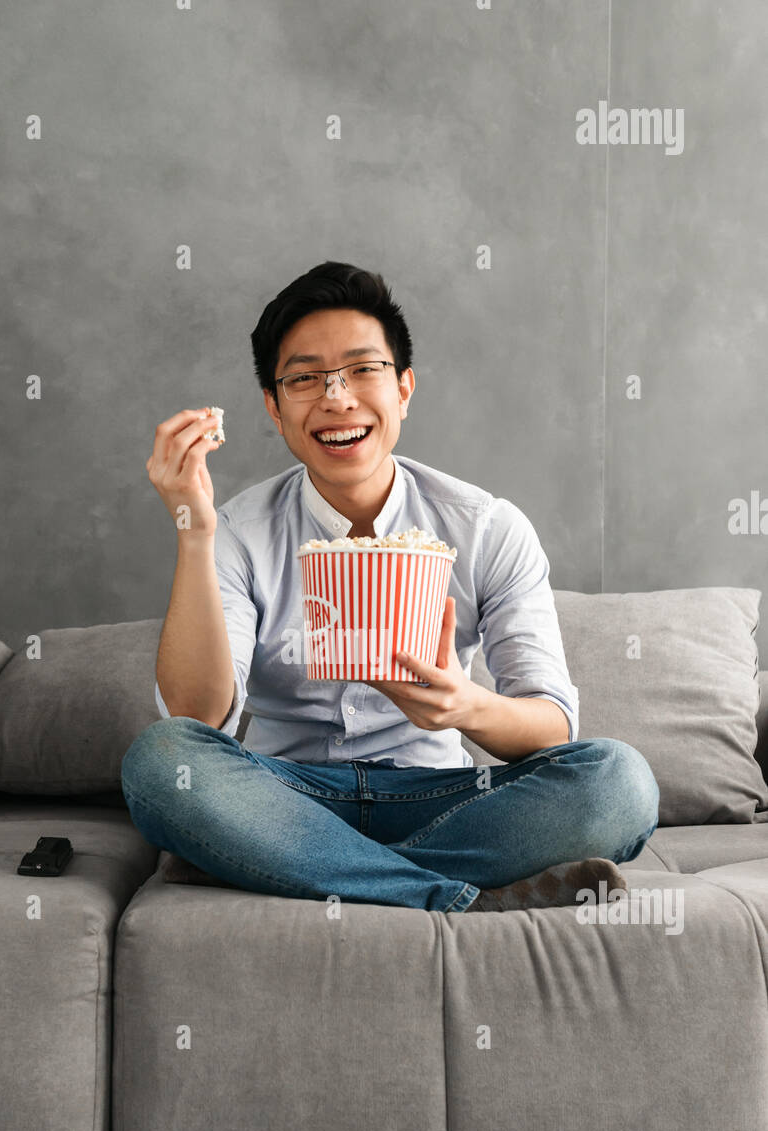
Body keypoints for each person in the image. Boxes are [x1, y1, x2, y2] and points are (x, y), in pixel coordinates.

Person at [121, 261, 659, 913]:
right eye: (304, 378)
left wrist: (465, 708)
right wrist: (195, 531)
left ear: (403, 388)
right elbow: (198, 716)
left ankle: (283, 865)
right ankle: (444, 894)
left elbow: (551, 726)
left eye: (362, 370)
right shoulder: (236, 528)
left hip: (439, 799)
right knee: (160, 760)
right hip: (283, 796)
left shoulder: (485, 527)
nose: (336, 397)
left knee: (618, 781)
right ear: (273, 405)